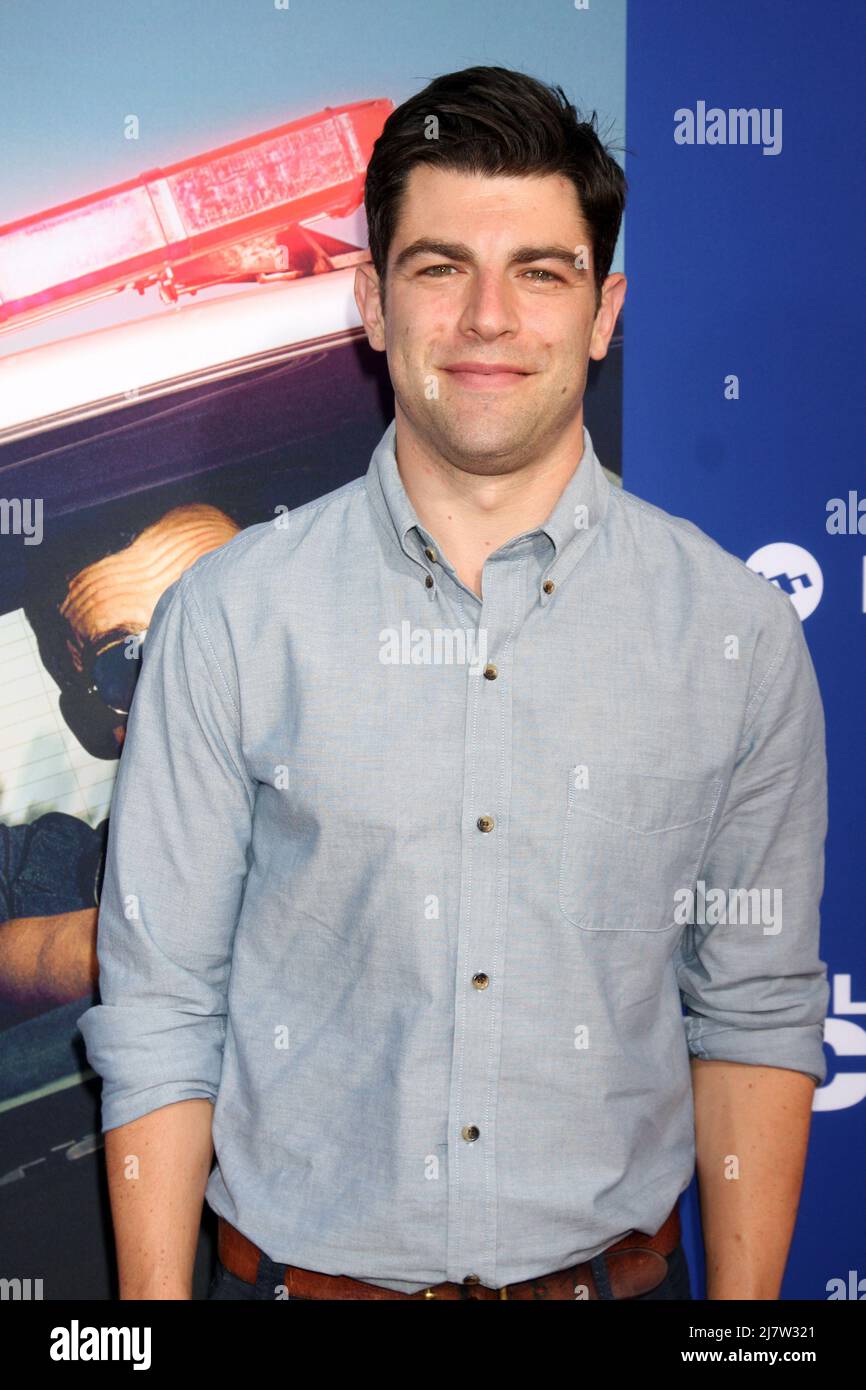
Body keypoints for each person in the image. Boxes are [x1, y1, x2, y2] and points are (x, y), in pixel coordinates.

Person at [78, 65, 829, 1302]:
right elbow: (161, 1009)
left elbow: (750, 1012)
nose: (488, 317)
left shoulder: (735, 638)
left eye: (540, 270)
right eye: (438, 268)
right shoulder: (227, 618)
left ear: (603, 310)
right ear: (371, 302)